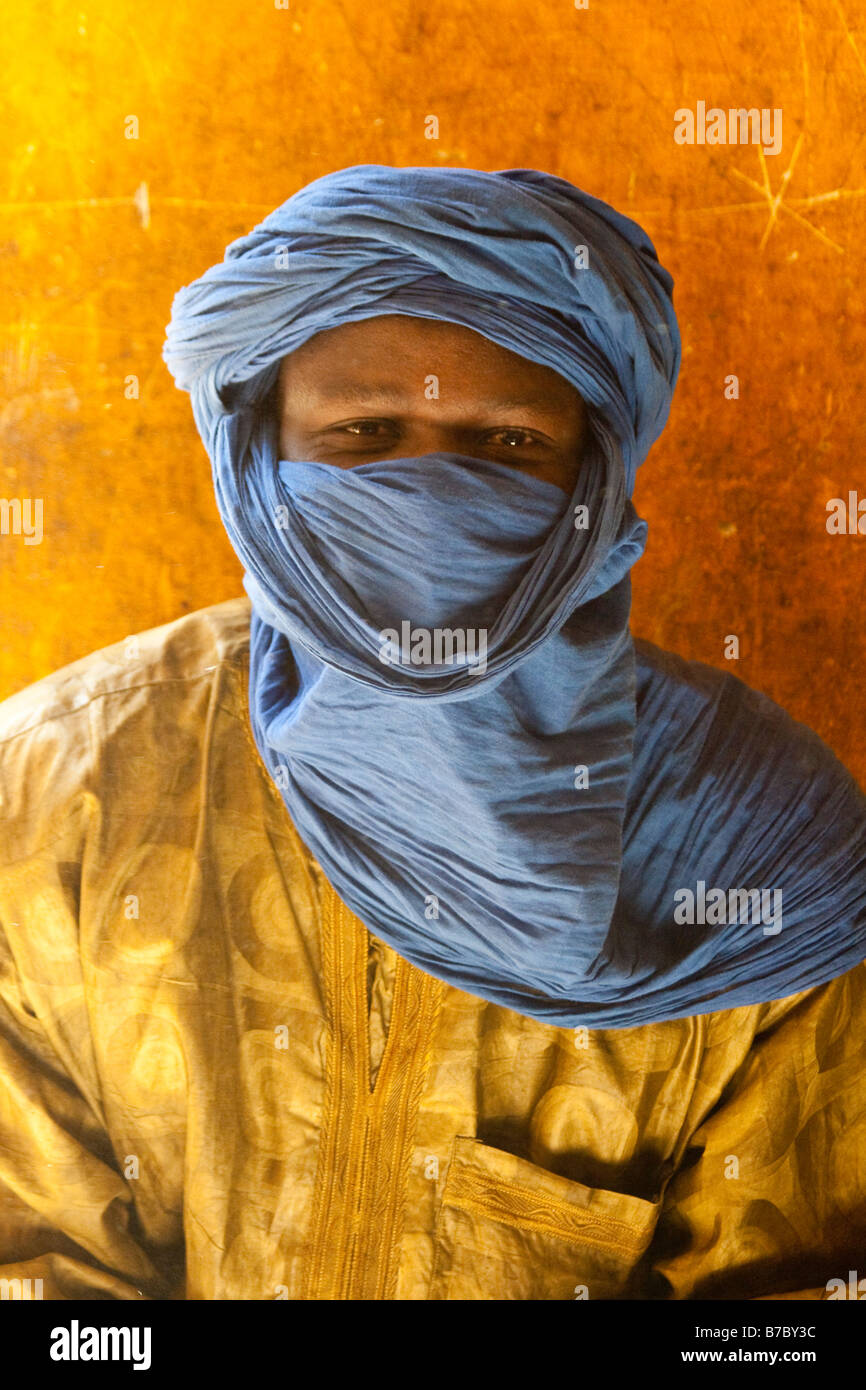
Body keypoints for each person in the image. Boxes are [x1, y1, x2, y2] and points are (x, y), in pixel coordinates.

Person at [0, 164, 864, 1302]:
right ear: (259, 465)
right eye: (364, 435)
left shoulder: (759, 847)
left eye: (504, 449)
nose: (429, 498)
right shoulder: (58, 799)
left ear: (591, 479)